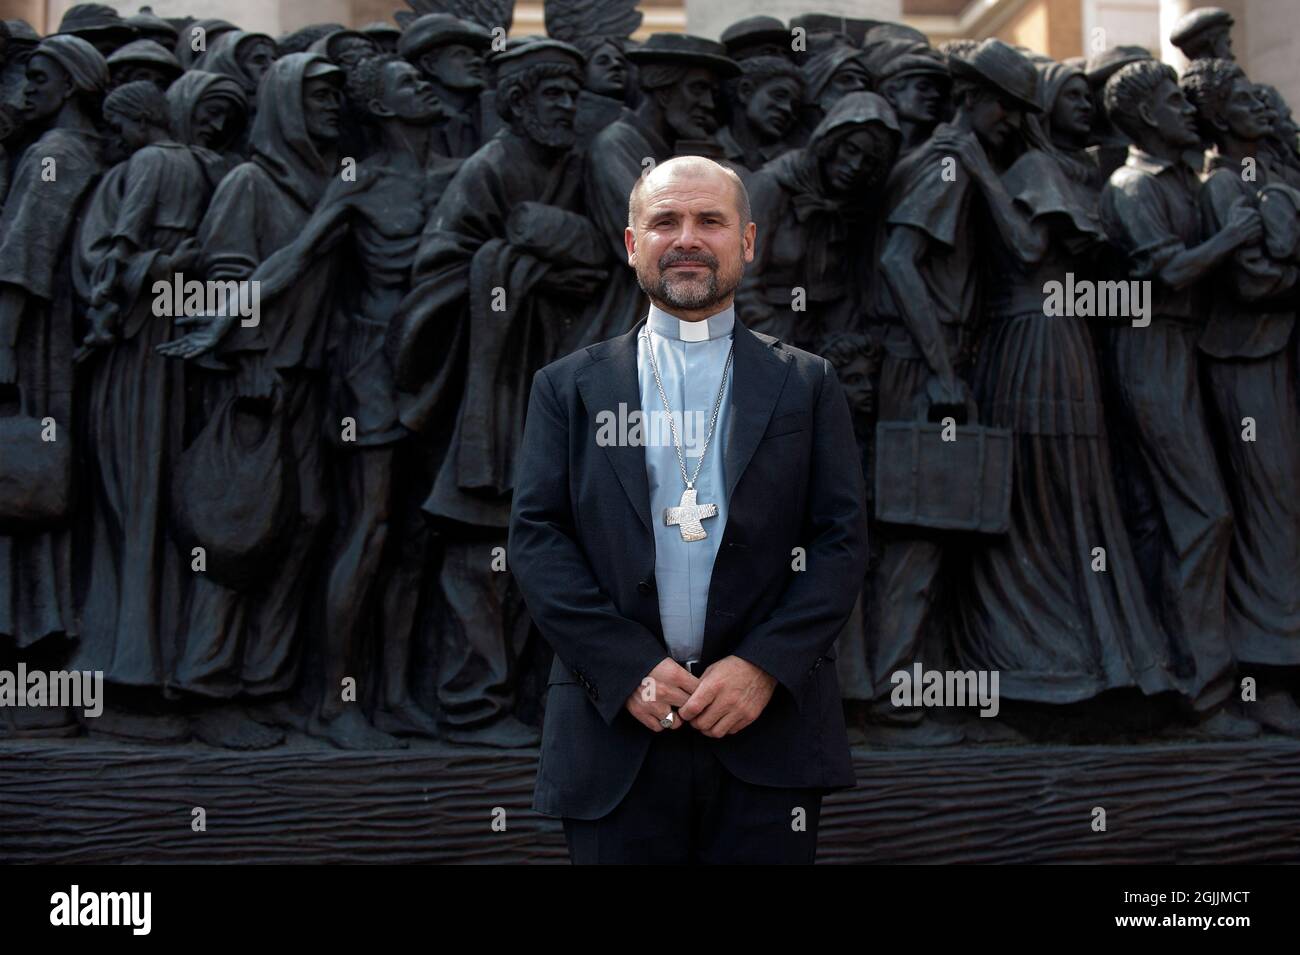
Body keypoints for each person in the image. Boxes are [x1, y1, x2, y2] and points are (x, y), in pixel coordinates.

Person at [509, 156, 867, 863]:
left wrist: (763, 665)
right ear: (632, 242)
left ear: (749, 241)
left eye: (710, 220)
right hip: (615, 732)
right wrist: (626, 665)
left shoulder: (807, 384)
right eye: (665, 221)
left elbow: (840, 542)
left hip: (768, 733)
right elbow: (537, 541)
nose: (688, 238)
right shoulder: (569, 387)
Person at [389, 40, 608, 747]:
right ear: (517, 102)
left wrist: (551, 242)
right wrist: (518, 268)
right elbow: (438, 274)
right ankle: (471, 701)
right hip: (490, 388)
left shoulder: (578, 168)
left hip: (557, 383)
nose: (567, 108)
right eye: (553, 96)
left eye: (573, 96)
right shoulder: (487, 171)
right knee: (479, 547)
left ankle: (530, 694)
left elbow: (605, 256)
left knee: (547, 546)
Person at [1098, 59, 1265, 738]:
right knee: (1203, 515)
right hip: (1150, 351)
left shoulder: (1184, 180)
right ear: (1142, 117)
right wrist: (1234, 238)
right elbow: (1165, 269)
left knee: (1177, 520)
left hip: (1186, 349)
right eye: (1171, 99)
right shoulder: (1132, 186)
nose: (1184, 108)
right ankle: (1204, 693)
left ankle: (1168, 681)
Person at [1181, 58, 1300, 734]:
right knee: (1269, 512)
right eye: (1244, 99)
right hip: (1245, 360)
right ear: (1218, 117)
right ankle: (1263, 672)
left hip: (1279, 356)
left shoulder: (1273, 176)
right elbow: (1252, 281)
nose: (1261, 104)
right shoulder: (1222, 184)